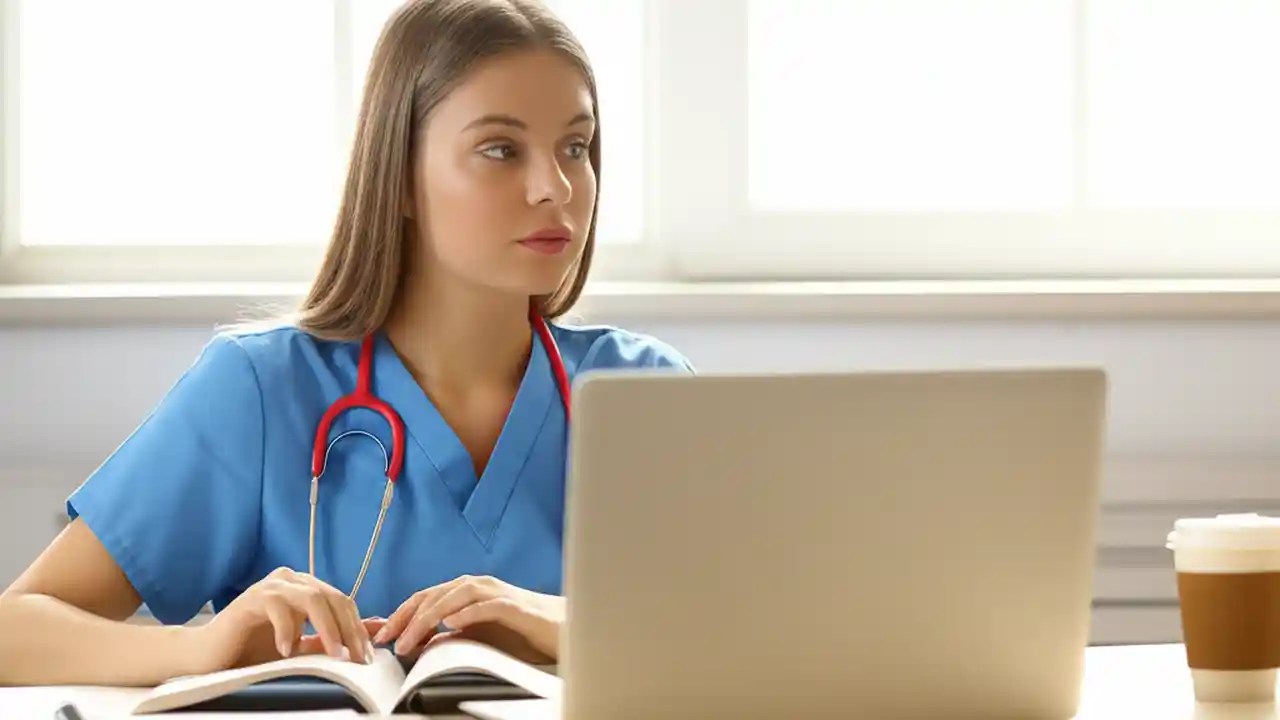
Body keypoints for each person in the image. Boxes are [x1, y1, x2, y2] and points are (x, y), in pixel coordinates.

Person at [0, 0, 691, 686]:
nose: (557, 187)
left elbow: (764, 631)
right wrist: (200, 648)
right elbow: (15, 630)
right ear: (401, 177)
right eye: (500, 150)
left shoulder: (646, 392)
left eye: (575, 146)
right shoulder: (261, 390)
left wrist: (574, 623)